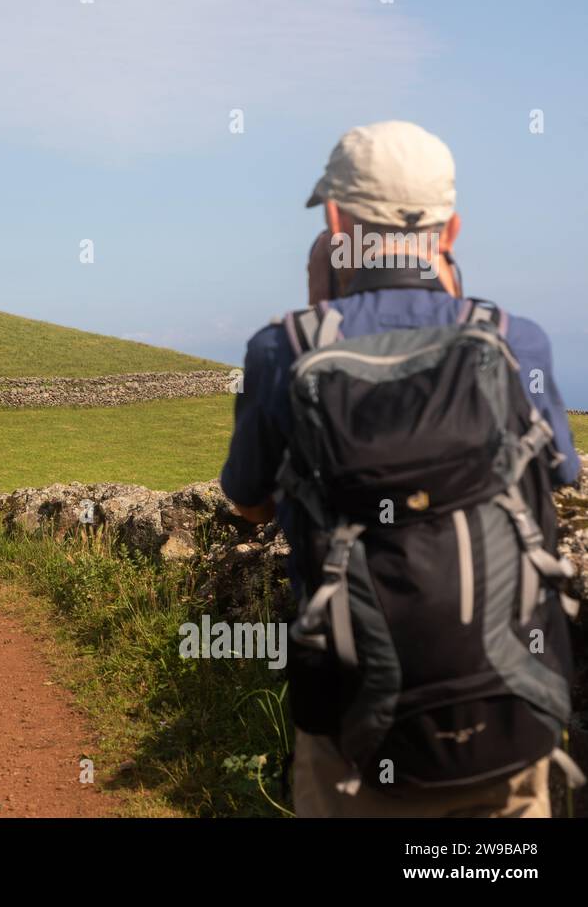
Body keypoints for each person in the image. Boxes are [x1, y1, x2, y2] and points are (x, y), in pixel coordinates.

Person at [221, 120, 580, 817]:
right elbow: (561, 474)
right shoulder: (515, 340)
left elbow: (248, 502)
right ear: (449, 230)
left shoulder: (282, 349)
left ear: (334, 221)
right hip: (511, 705)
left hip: (354, 725)